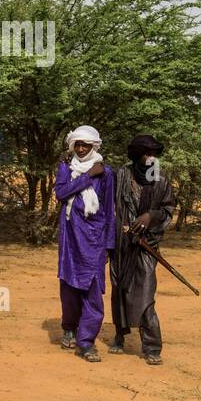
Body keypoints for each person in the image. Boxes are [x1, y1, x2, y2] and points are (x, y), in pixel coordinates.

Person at [110, 134, 176, 365]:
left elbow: (168, 209)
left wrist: (150, 216)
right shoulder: (121, 175)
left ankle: (151, 346)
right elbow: (109, 205)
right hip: (121, 244)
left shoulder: (161, 180)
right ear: (137, 155)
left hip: (147, 246)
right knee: (120, 289)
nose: (150, 158)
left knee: (145, 294)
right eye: (146, 154)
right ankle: (119, 336)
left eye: (154, 154)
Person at [54, 125, 117, 362]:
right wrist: (87, 176)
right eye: (77, 145)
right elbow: (61, 194)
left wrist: (109, 244)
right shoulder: (66, 168)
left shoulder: (107, 173)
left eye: (86, 145)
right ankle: (69, 327)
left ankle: (87, 342)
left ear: (94, 147)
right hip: (71, 237)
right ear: (72, 146)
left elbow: (110, 209)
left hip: (95, 240)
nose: (81, 149)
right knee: (69, 286)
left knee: (92, 290)